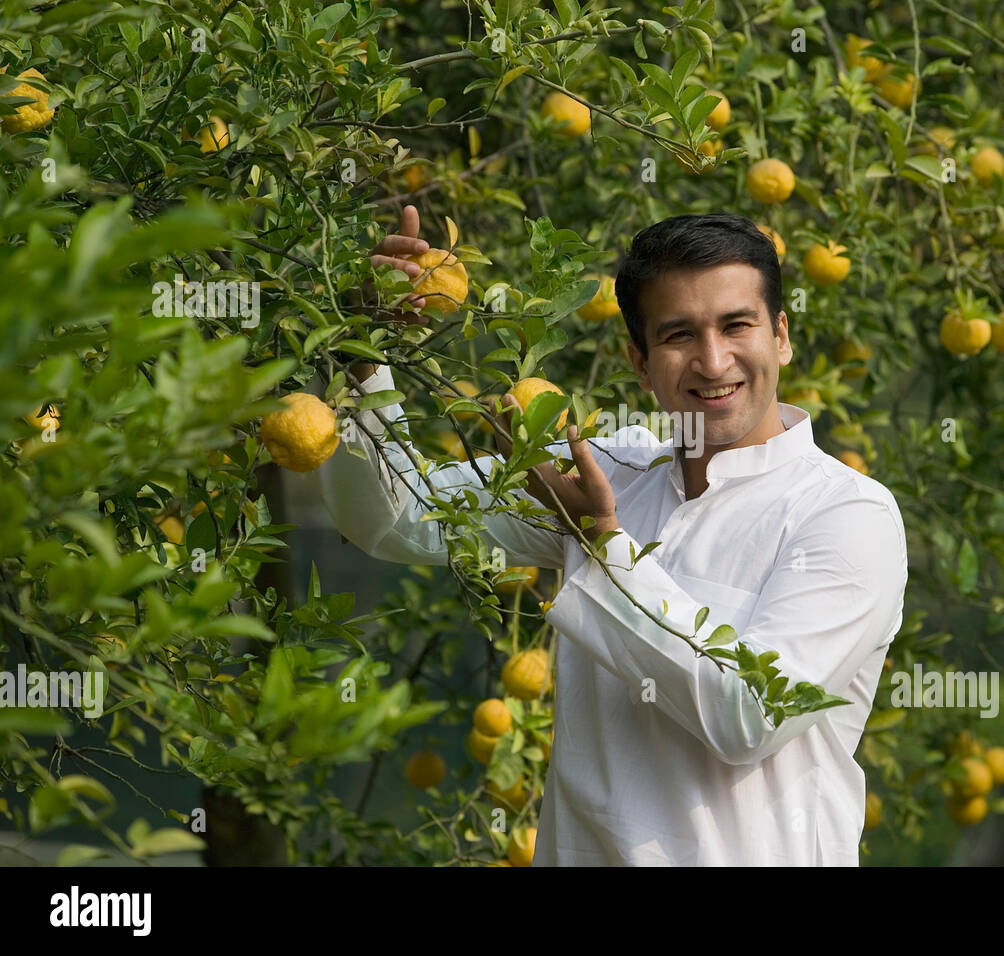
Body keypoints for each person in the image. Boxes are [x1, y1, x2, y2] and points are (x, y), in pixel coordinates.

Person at [292, 208, 908, 865]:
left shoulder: (846, 515)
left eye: (736, 325)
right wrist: (363, 353)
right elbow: (395, 517)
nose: (712, 358)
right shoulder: (612, 474)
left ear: (780, 335)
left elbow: (749, 715)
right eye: (679, 334)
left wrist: (599, 543)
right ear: (640, 363)